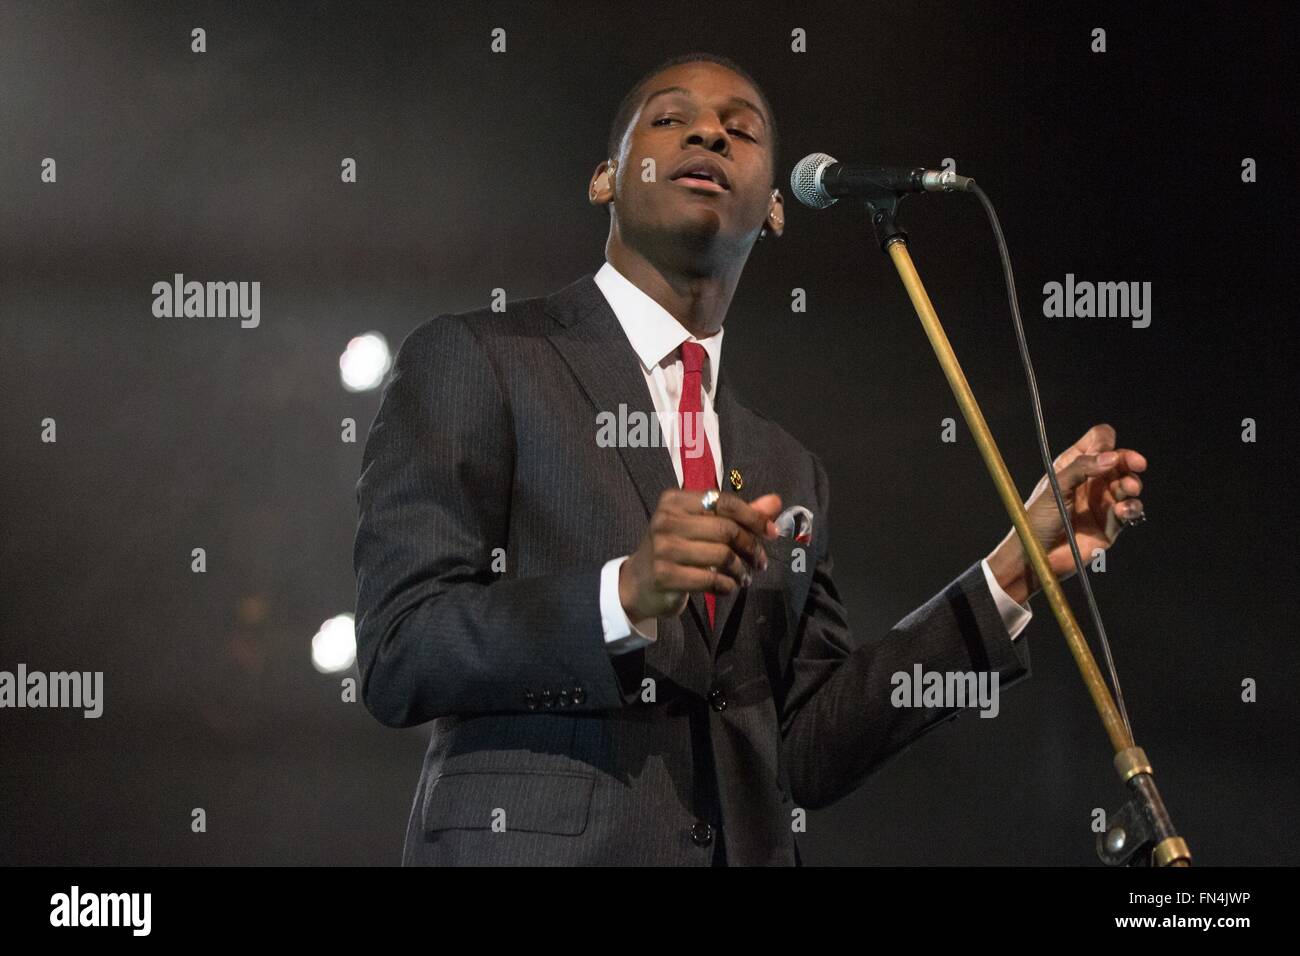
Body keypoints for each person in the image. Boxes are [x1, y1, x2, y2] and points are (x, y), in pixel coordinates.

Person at [352, 52, 1149, 865]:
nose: (708, 131)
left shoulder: (786, 468)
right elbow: (398, 651)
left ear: (775, 208)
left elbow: (805, 748)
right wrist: (622, 595)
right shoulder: (479, 359)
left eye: (742, 130)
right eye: (671, 120)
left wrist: (1014, 571)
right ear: (605, 178)